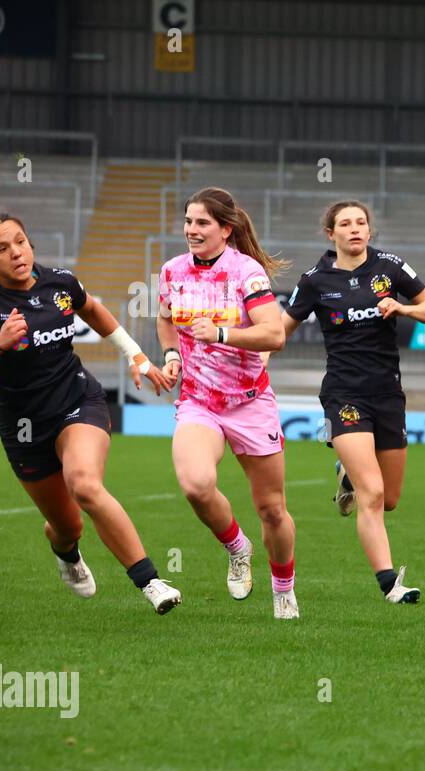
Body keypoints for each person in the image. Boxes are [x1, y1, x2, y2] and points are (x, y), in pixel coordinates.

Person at [0, 212, 181, 613]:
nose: (16, 252)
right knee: (67, 526)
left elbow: (94, 311)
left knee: (85, 485)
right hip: (23, 426)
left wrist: (136, 355)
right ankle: (67, 553)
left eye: (20, 241)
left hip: (77, 400)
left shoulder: (60, 282)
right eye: (2, 248)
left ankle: (150, 581)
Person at [282, 199, 425, 604]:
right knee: (372, 494)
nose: (355, 229)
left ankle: (346, 475)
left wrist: (402, 307)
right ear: (330, 233)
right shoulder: (316, 280)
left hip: (388, 393)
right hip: (343, 395)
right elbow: (279, 332)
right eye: (345, 224)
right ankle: (391, 584)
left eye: (361, 223)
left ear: (369, 230)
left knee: (388, 499)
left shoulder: (390, 267)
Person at [155, 187, 300, 620]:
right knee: (196, 484)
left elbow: (274, 334)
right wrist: (172, 355)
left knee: (272, 508)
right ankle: (237, 547)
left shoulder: (246, 273)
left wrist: (221, 334)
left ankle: (283, 588)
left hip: (250, 403)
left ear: (225, 229)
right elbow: (165, 318)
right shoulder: (171, 271)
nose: (191, 230)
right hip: (199, 401)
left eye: (202, 223)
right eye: (188, 221)